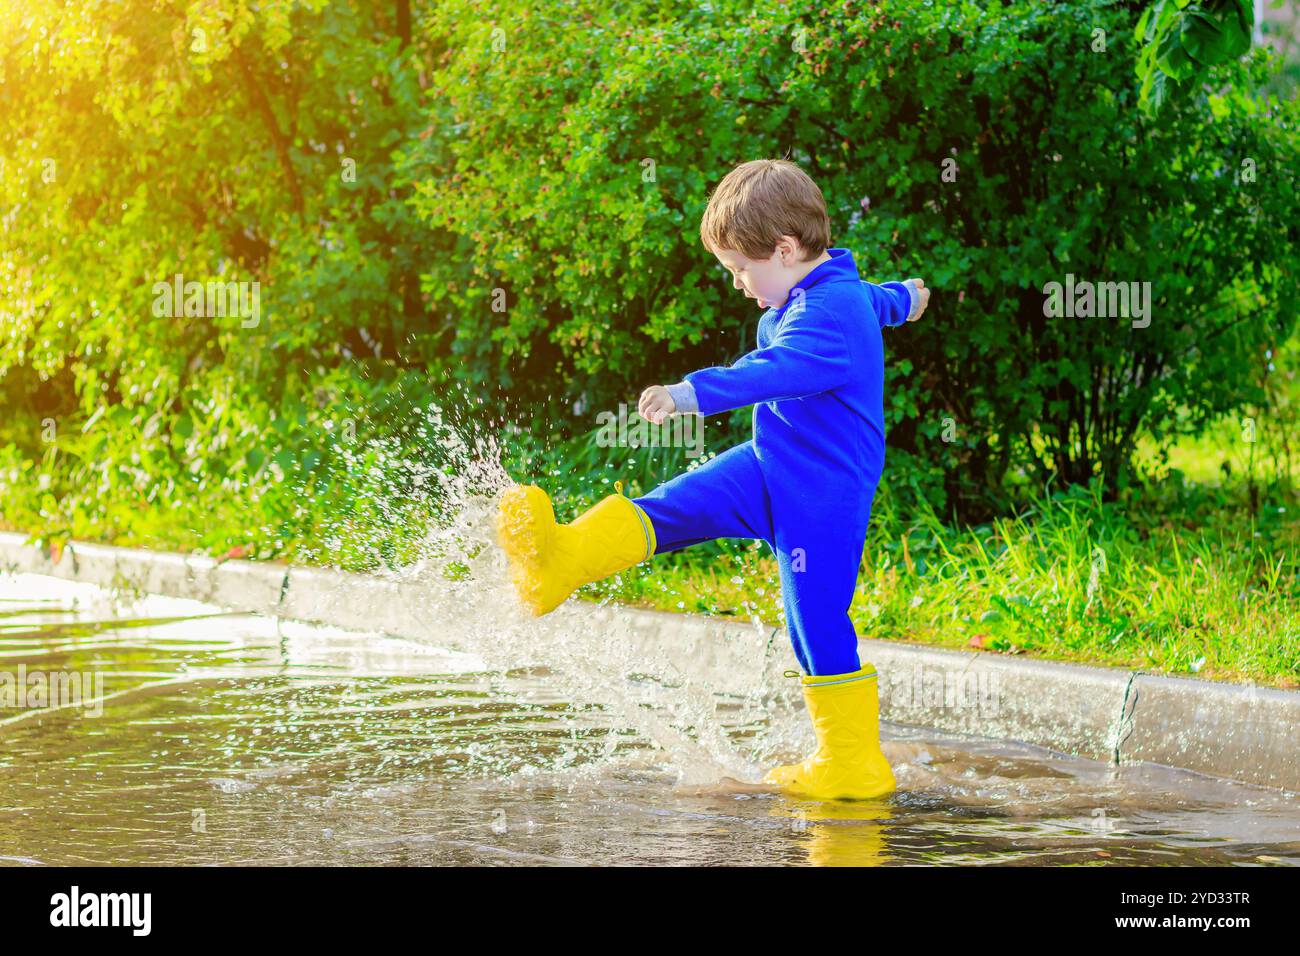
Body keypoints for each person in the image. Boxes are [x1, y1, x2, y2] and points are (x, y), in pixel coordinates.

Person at [496, 158, 930, 800]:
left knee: (813, 618)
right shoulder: (828, 289)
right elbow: (879, 297)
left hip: (823, 493)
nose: (738, 284)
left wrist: (687, 392)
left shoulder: (828, 313)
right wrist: (909, 298)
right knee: (673, 507)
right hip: (769, 464)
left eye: (742, 270)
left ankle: (852, 762)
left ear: (785, 249)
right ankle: (562, 560)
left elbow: (773, 370)